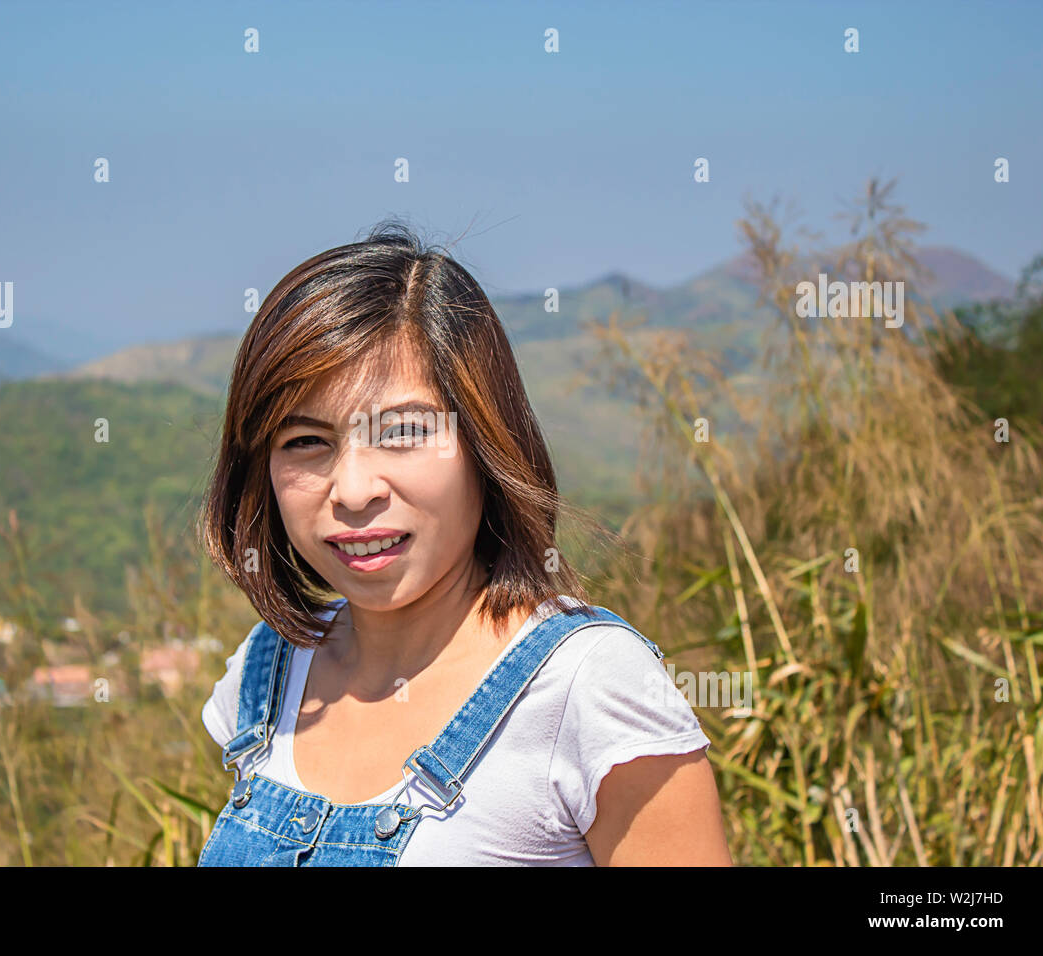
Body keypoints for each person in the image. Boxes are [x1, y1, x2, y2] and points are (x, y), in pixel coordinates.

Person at [195, 221, 732, 866]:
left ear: (485, 444)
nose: (355, 489)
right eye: (305, 442)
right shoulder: (265, 677)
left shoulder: (588, 689)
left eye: (403, 432)